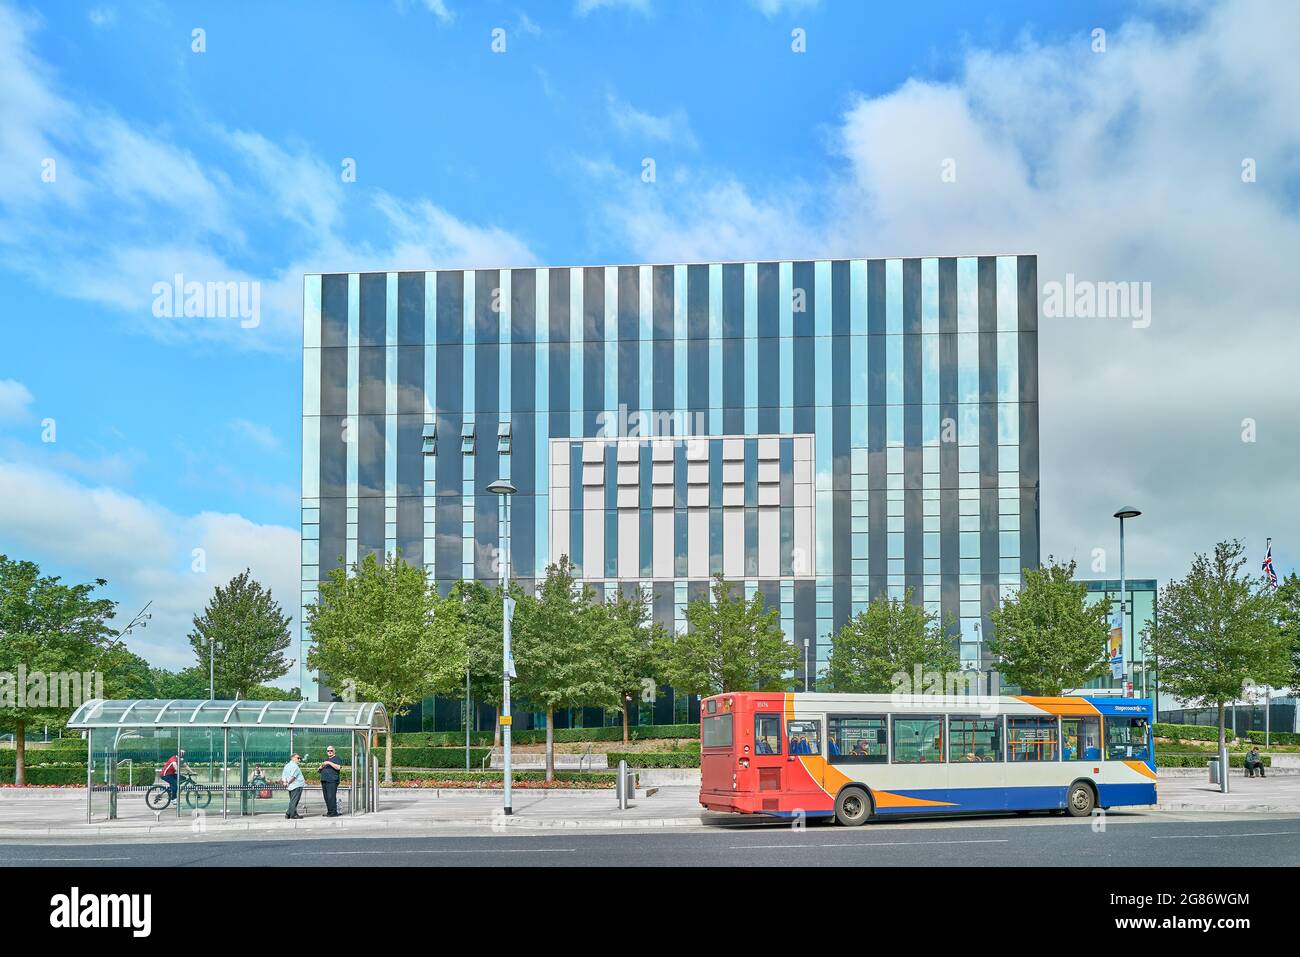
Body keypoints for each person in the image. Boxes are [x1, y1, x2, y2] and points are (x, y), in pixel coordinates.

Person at [319, 745, 343, 816]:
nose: (329, 752)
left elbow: (338, 767)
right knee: (326, 797)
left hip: (332, 781)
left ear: (334, 751)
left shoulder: (336, 758)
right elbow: (320, 770)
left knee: (331, 797)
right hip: (324, 780)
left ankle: (333, 812)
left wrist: (328, 763)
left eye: (331, 750)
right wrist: (320, 768)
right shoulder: (326, 759)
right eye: (328, 751)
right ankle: (329, 812)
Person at [282, 753, 306, 819]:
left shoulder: (286, 765)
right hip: (296, 786)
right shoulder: (295, 766)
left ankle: (291, 813)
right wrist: (288, 783)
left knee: (292, 801)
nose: (299, 760)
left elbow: (283, 775)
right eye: (298, 758)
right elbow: (293, 777)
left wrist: (285, 782)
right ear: (292, 758)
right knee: (294, 801)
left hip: (291, 787)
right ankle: (291, 814)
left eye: (299, 758)